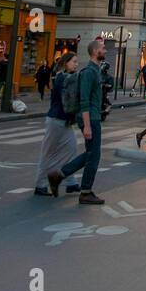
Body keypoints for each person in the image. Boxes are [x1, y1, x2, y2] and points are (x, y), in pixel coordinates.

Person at [48, 36, 107, 205]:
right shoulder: (89, 72)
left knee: (91, 154)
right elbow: (84, 101)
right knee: (94, 155)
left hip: (94, 117)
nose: (105, 50)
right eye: (103, 48)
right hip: (90, 118)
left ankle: (59, 175)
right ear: (96, 52)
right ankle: (85, 191)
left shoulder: (96, 70)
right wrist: (87, 125)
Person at [34, 53, 81, 195]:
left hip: (64, 121)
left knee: (71, 149)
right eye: (74, 61)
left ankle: (70, 182)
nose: (76, 64)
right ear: (66, 63)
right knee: (48, 153)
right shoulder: (62, 78)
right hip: (56, 120)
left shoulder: (64, 77)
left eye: (76, 62)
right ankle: (40, 184)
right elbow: (69, 100)